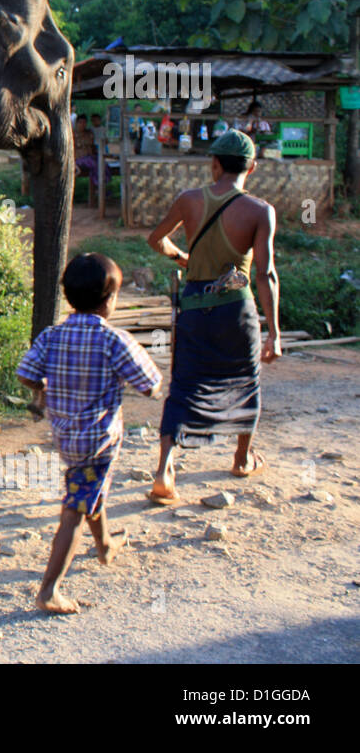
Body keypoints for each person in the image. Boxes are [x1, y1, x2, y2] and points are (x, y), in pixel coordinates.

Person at [17, 253, 163, 614]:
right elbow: (152, 386)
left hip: (66, 438)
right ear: (110, 299)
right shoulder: (114, 340)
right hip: (98, 442)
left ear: (68, 296)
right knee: (73, 512)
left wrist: (44, 389)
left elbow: (25, 372)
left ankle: (105, 546)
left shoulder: (52, 335)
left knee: (91, 491)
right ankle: (49, 590)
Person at [145, 129, 279, 505]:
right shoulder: (259, 211)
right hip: (236, 309)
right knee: (245, 379)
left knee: (184, 384)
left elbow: (155, 238)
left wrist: (182, 259)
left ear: (215, 165)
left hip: (192, 308)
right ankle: (241, 459)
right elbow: (265, 274)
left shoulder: (188, 201)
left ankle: (164, 470)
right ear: (251, 168)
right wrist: (275, 333)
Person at [73, 115, 98, 193]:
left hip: (89, 157)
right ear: (76, 123)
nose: (82, 124)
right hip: (77, 160)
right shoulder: (71, 134)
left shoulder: (89, 133)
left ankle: (100, 187)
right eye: (80, 122)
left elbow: (93, 147)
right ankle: (97, 186)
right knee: (93, 164)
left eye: (84, 123)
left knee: (102, 164)